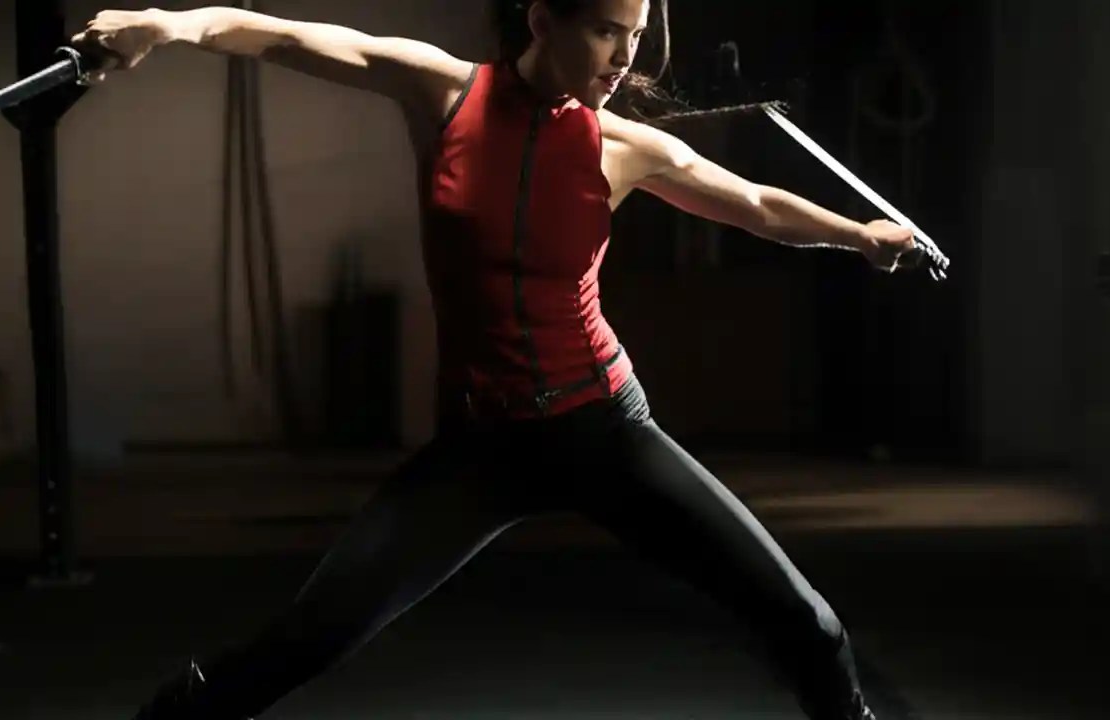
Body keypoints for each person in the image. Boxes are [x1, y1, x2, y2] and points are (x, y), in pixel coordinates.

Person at [72, 2, 918, 718]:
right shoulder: (441, 90)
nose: (624, 59)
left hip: (603, 429)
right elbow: (279, 36)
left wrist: (862, 237)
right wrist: (164, 24)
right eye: (605, 33)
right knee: (309, 636)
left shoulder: (623, 146)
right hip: (484, 449)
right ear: (544, 18)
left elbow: (760, 206)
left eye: (635, 36)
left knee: (807, 625)